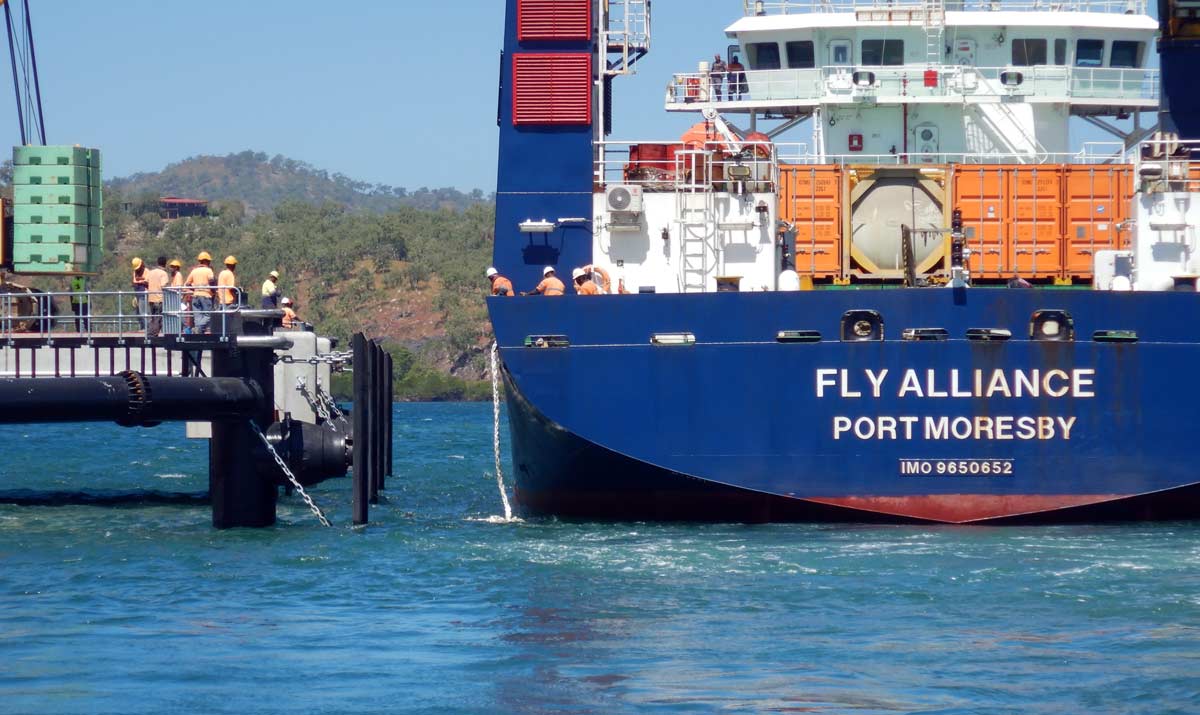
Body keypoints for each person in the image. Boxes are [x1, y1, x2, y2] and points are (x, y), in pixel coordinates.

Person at [184, 251, 216, 335]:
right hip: (206, 296)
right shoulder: (208, 270)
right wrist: (213, 291)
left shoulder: (194, 271)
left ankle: (198, 332)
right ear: (206, 261)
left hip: (196, 296)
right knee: (208, 315)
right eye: (209, 261)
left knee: (197, 317)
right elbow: (211, 281)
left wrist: (195, 289)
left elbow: (187, 284)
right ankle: (198, 329)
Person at [145, 257, 170, 336]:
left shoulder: (151, 272)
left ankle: (151, 333)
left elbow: (146, 282)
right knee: (158, 318)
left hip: (151, 298)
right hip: (159, 299)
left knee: (153, 317)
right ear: (165, 263)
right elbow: (163, 286)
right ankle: (152, 335)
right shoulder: (163, 273)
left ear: (157, 262)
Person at [131, 257, 149, 331]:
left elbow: (147, 282)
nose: (137, 269)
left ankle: (147, 328)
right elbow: (134, 282)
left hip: (143, 293)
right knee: (138, 312)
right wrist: (140, 280)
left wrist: (140, 280)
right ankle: (142, 327)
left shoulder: (146, 271)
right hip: (137, 293)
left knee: (143, 312)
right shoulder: (135, 272)